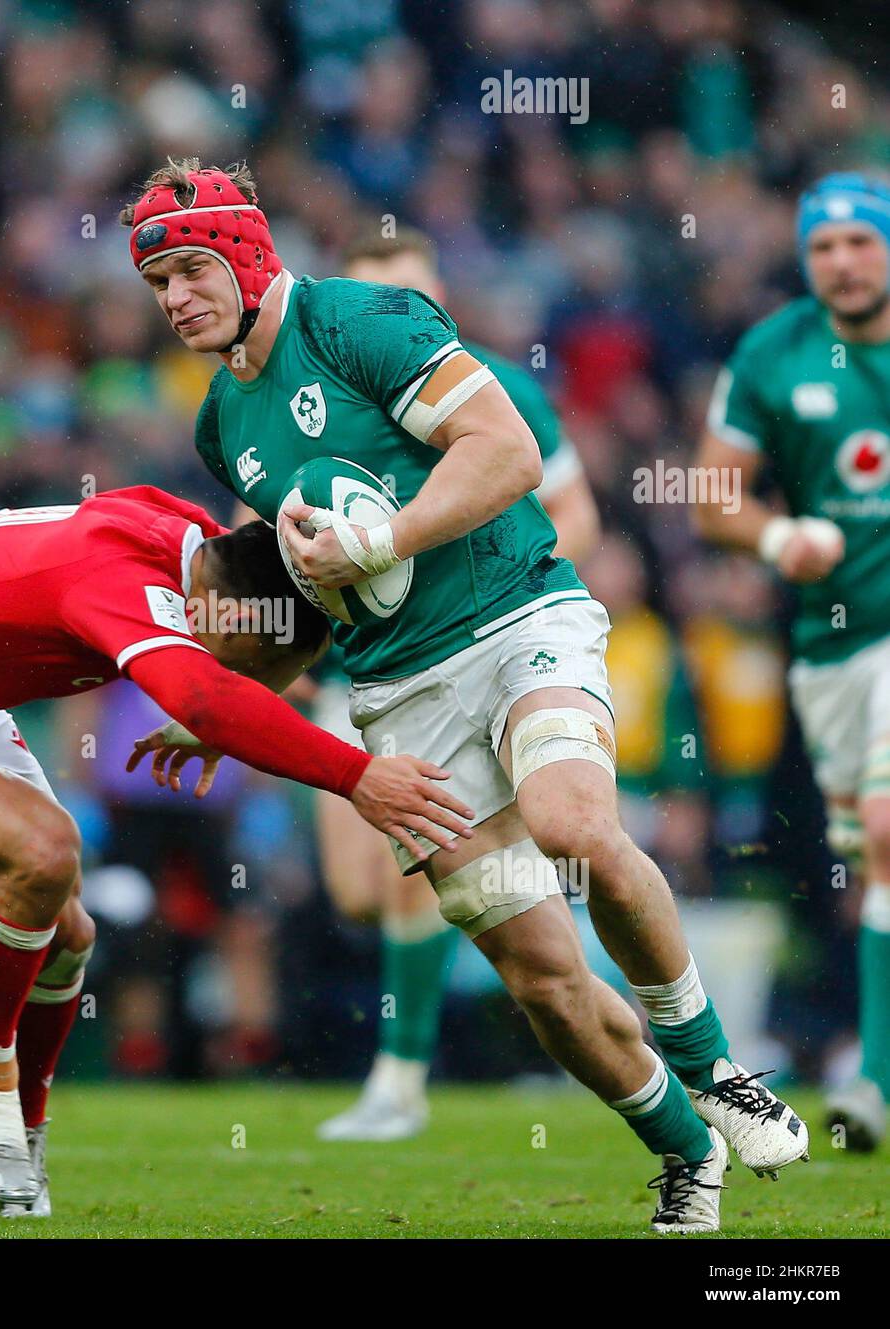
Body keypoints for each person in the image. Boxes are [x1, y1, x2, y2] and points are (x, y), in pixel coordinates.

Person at [123, 158, 807, 1233]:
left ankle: (715, 1066)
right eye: (157, 282)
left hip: (520, 619)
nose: (175, 299)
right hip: (401, 691)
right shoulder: (222, 424)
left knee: (571, 819)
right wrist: (218, 700)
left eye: (192, 270)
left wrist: (384, 537)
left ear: (248, 257)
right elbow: (307, 603)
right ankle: (685, 1152)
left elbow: (508, 452)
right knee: (539, 976)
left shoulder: (365, 320)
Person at [0, 484, 473, 1216]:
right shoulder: (121, 579)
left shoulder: (192, 543)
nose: (236, 678)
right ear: (217, 616)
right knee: (44, 851)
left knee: (68, 934)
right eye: (239, 663)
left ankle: (23, 1142)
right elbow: (202, 696)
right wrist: (357, 777)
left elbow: (233, 624)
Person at [313, 227, 600, 1142]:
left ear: (436, 290)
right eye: (372, 291)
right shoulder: (320, 394)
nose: (391, 307)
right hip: (359, 667)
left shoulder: (497, 386)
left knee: (416, 869)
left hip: (473, 653)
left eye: (406, 287)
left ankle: (401, 1078)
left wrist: (514, 590)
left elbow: (574, 511)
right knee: (362, 889)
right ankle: (561, 967)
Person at [694, 171, 890, 1151]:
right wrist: (777, 542)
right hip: (826, 650)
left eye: (861, 242)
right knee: (866, 864)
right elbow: (710, 494)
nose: (843, 263)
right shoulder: (772, 354)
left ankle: (871, 1085)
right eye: (824, 248)